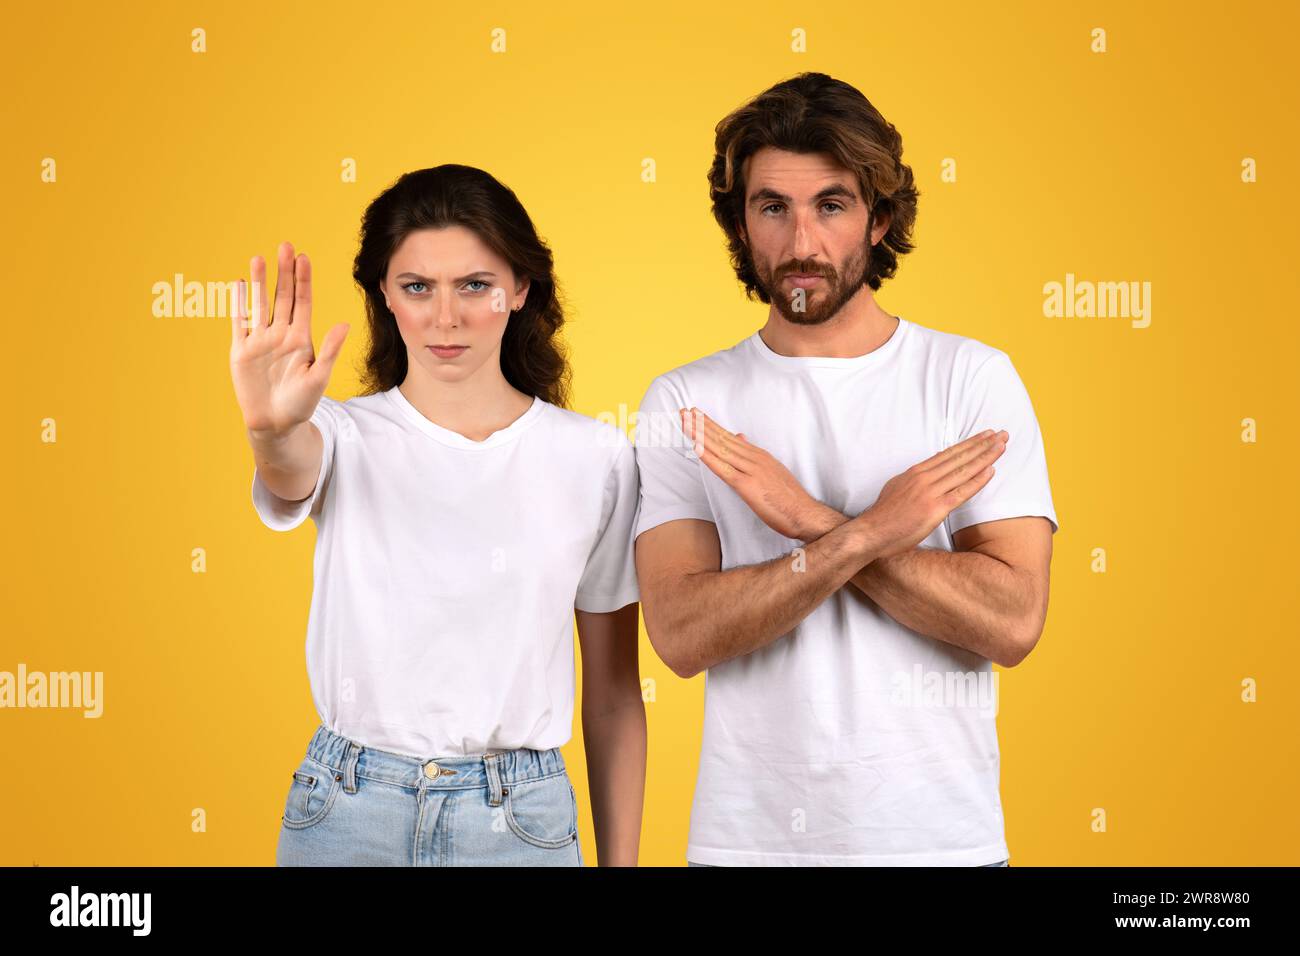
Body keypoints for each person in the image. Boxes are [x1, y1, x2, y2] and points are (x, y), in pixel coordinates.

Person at [633, 73, 1058, 866]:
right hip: (747, 849)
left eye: (831, 205)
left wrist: (813, 522)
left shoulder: (970, 378)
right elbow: (682, 637)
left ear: (880, 218)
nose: (801, 245)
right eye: (772, 207)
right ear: (739, 222)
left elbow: (1012, 622)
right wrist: (861, 535)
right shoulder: (687, 399)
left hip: (944, 848)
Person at [230, 165, 645, 866]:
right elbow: (290, 469)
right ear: (385, 296)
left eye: (475, 285)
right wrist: (269, 432)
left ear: (520, 289)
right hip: (346, 812)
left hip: (521, 824)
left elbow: (610, 697)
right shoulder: (338, 434)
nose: (445, 317)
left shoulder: (595, 456)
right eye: (417, 286)